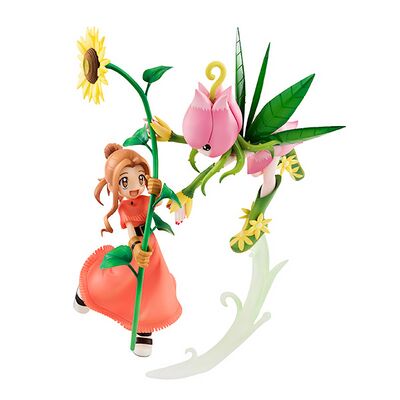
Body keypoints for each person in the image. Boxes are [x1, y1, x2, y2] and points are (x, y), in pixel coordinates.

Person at [74, 143, 182, 357]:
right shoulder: (125, 207)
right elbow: (131, 230)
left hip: (151, 248)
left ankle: (145, 329)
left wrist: (159, 190)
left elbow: (161, 199)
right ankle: (86, 293)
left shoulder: (146, 200)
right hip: (137, 250)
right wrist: (135, 247)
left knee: (154, 284)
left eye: (140, 178)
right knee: (121, 282)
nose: (134, 186)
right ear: (114, 185)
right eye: (125, 181)